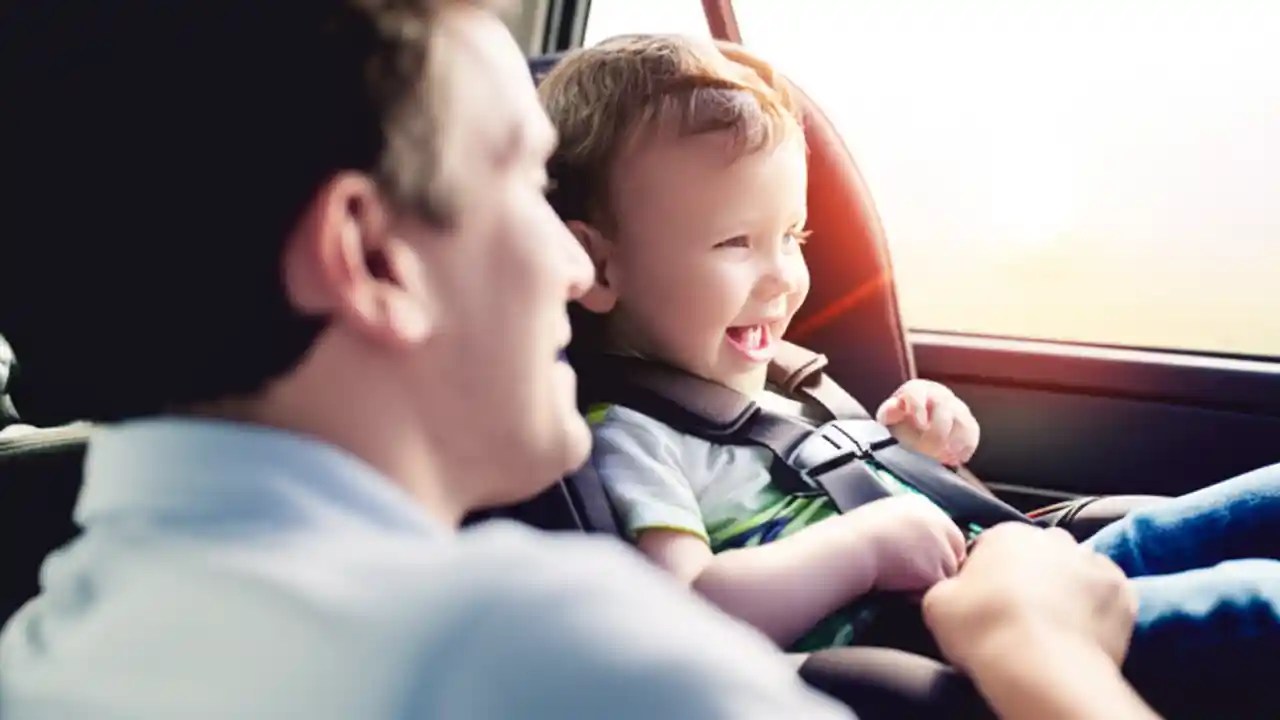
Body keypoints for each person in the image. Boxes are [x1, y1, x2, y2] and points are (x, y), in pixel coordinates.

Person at [0, 2, 1154, 719]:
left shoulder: (42, 656)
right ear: (371, 258)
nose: (569, 264)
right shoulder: (531, 652)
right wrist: (1035, 645)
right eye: (517, 180)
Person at [540, 34, 1280, 718]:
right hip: (955, 649)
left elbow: (840, 490)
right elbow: (685, 610)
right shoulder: (630, 438)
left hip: (1014, 578)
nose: (783, 277)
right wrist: (861, 550)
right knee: (1253, 604)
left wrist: (910, 451)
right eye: (734, 241)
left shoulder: (780, 386)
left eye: (791, 236)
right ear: (599, 266)